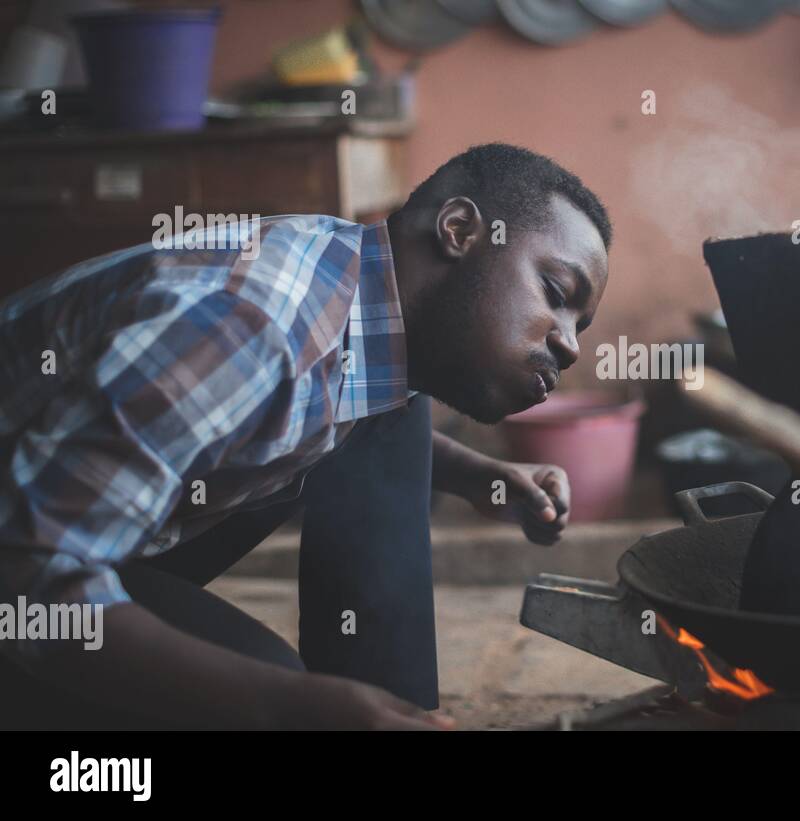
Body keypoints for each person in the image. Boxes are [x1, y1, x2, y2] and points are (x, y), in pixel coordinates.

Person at [0, 143, 612, 729]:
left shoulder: (349, 276)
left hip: (80, 523)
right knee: (254, 692)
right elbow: (30, 582)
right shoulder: (249, 327)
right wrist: (283, 705)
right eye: (557, 295)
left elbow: (328, 400)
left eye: (579, 325)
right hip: (24, 575)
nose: (570, 345)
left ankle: (394, 710)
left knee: (395, 401)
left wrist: (476, 475)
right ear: (458, 230)